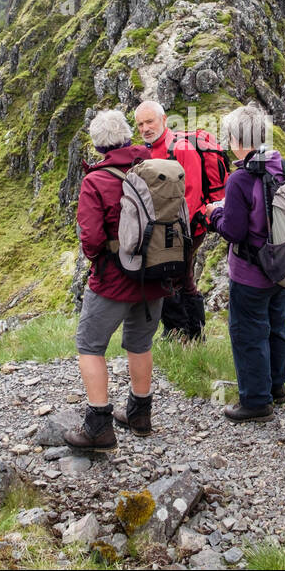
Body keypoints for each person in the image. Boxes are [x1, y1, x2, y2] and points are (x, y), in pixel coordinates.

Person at [66, 109, 170, 448]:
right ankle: (140, 414)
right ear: (128, 136)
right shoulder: (154, 167)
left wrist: (102, 260)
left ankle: (99, 425)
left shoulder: (95, 181)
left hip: (113, 280)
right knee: (140, 342)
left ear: (98, 147)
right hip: (155, 274)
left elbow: (92, 240)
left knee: (90, 345)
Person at [201, 104, 285, 423]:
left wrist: (216, 215)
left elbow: (234, 231)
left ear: (236, 138)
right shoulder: (282, 165)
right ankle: (277, 387)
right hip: (282, 266)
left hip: (251, 271)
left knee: (248, 332)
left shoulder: (240, 178)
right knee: (276, 327)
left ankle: (255, 401)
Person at [135, 100, 208, 343]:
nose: (145, 128)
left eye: (149, 121)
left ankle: (181, 332)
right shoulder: (146, 152)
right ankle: (189, 333)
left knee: (172, 278)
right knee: (180, 278)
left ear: (164, 120)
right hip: (162, 230)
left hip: (185, 230)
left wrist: (175, 233)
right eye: (140, 124)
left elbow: (192, 194)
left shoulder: (182, 148)